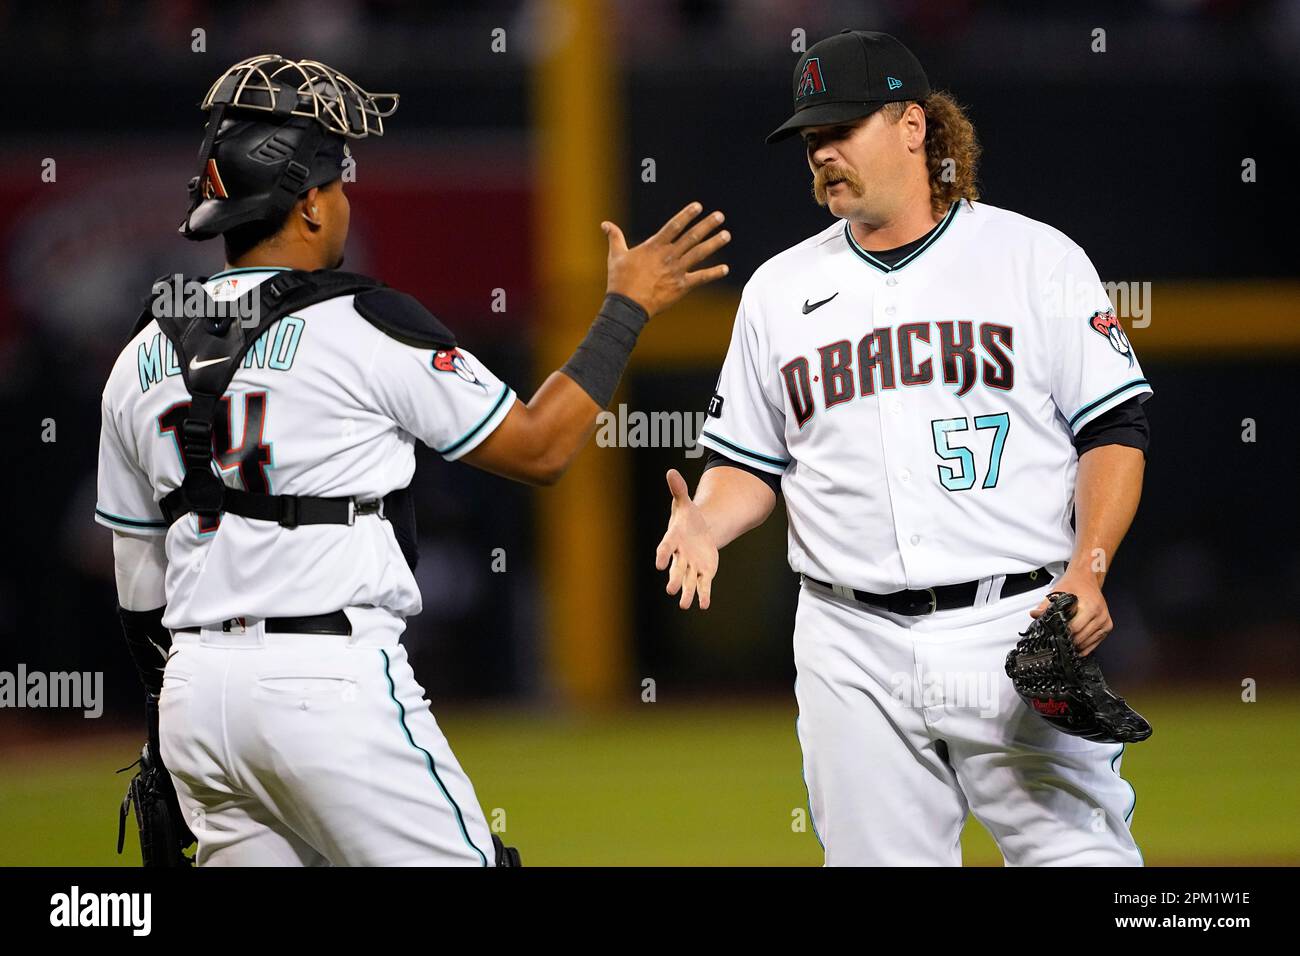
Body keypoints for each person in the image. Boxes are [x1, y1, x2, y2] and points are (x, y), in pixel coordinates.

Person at [97, 54, 728, 866]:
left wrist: (165, 721)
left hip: (193, 702)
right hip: (324, 685)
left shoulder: (137, 357)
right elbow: (541, 447)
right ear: (310, 206)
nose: (346, 200)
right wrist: (625, 311)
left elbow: (136, 584)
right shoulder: (365, 323)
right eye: (338, 182)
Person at [656, 31, 1150, 865]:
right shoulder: (779, 291)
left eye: (842, 130)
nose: (823, 154)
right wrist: (707, 519)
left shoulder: (1030, 256)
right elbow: (749, 463)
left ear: (914, 126)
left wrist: (1088, 569)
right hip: (848, 641)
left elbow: (1114, 427)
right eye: (812, 140)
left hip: (1016, 626)